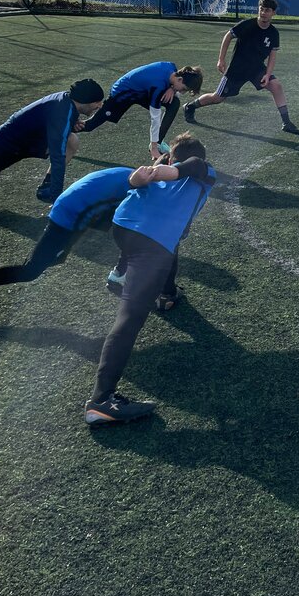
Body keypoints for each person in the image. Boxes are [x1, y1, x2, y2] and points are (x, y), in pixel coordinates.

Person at [84, 132, 216, 426]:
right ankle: (101, 400)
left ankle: (167, 294)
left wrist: (156, 171)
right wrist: (161, 169)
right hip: (150, 242)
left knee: (171, 244)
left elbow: (180, 166)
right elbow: (194, 164)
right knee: (129, 319)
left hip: (123, 229)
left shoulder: (166, 171)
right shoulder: (204, 171)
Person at [0, 162, 174, 322]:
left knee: (62, 257)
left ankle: (120, 274)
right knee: (30, 270)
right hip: (69, 217)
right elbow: (129, 200)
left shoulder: (140, 175)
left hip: (77, 209)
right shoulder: (140, 185)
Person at [0, 79, 104, 202]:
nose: (99, 106)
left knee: (72, 140)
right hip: (4, 146)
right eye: (97, 103)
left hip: (27, 143)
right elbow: (57, 155)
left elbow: (54, 120)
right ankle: (50, 190)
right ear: (86, 101)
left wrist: (70, 125)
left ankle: (46, 187)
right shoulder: (63, 111)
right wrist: (57, 196)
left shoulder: (68, 102)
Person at [184, 0, 299, 134]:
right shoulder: (247, 25)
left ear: (273, 13)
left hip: (256, 69)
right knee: (217, 98)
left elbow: (272, 56)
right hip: (237, 70)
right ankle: (190, 106)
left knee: (276, 86)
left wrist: (268, 74)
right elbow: (228, 36)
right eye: (261, 9)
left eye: (267, 10)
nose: (263, 13)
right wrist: (221, 59)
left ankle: (286, 122)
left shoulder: (273, 33)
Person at [81, 62, 203, 159]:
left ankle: (159, 142)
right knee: (90, 125)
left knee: (174, 103)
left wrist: (172, 88)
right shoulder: (158, 86)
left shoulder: (172, 68)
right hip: (122, 94)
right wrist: (153, 148)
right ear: (180, 79)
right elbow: (155, 118)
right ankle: (65, 130)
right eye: (183, 89)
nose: (182, 92)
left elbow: (170, 84)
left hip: (140, 91)